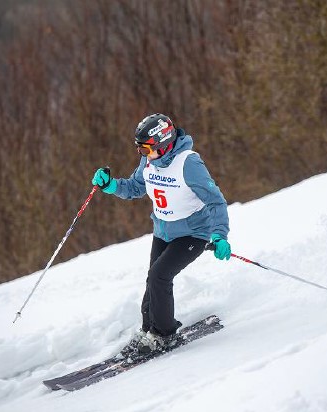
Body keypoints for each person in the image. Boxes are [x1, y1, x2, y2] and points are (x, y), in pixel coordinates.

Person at [92, 113, 231, 355]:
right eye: (140, 149)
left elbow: (216, 202)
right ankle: (148, 330)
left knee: (159, 276)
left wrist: (219, 235)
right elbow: (136, 187)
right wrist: (110, 185)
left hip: (193, 234)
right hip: (163, 231)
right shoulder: (150, 161)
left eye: (145, 149)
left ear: (164, 144)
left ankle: (165, 335)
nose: (142, 155)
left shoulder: (189, 164)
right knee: (152, 279)